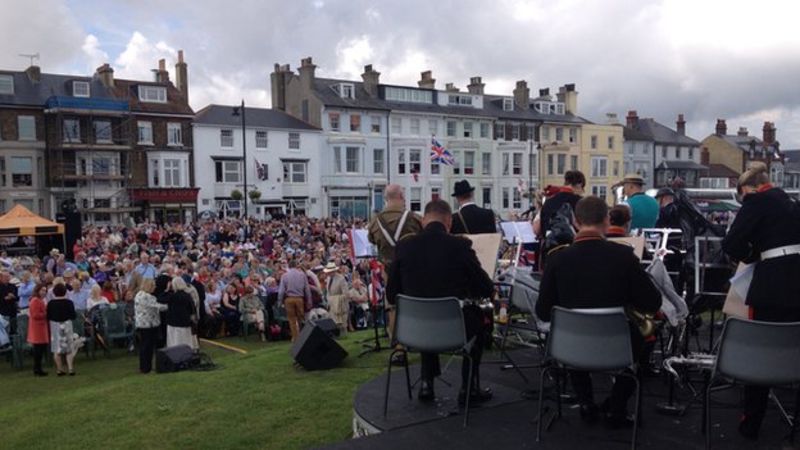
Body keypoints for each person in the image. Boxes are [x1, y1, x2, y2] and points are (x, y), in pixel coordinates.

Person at [536, 196, 662, 428]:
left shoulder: (557, 259)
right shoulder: (624, 256)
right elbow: (653, 302)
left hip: (570, 349)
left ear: (575, 221)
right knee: (645, 342)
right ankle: (617, 405)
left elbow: (543, 312)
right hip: (618, 347)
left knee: (573, 332)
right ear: (606, 221)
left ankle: (586, 402)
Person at [387, 199, 495, 404]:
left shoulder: (404, 247)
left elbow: (392, 295)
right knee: (479, 321)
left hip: (413, 332)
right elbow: (485, 287)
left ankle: (426, 384)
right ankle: (468, 388)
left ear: (423, 221)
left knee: (427, 312)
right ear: (449, 223)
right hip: (454, 332)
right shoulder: (460, 246)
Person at [721, 162, 800, 440]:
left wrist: (752, 254)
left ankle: (752, 420)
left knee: (761, 348)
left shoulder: (755, 203)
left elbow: (732, 244)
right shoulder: (792, 203)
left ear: (748, 189)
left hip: (771, 286)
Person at [535, 170, 585, 240]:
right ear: (579, 184)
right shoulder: (582, 202)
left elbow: (538, 229)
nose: (582, 192)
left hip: (551, 246)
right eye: (582, 188)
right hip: (574, 245)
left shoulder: (548, 202)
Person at [134, 277, 167, 373]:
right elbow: (158, 307)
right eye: (153, 285)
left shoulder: (138, 295)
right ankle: (146, 368)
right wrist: (170, 305)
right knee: (147, 347)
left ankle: (144, 367)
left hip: (141, 324)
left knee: (144, 346)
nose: (155, 287)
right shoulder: (148, 297)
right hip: (149, 324)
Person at [47, 283, 79, 376]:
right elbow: (73, 316)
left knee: (57, 348)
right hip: (67, 325)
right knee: (69, 348)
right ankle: (70, 368)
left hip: (55, 326)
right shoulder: (69, 303)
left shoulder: (51, 303)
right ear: (65, 292)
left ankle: (59, 369)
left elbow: (48, 316)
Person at [277, 259, 312, 342]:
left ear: (289, 266)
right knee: (301, 318)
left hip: (289, 299)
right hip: (299, 298)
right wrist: (309, 300)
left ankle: (295, 337)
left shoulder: (285, 276)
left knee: (291, 319)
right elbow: (307, 289)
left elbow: (281, 291)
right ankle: (303, 335)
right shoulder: (302, 275)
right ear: (296, 266)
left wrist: (279, 301)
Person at [165, 277, 197, 349]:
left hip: (173, 323)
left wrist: (167, 290)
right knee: (186, 342)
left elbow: (161, 299)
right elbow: (192, 309)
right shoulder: (187, 295)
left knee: (174, 342)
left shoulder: (172, 296)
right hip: (185, 322)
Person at [27, 284, 49, 377]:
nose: (44, 292)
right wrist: (46, 313)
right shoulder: (35, 300)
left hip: (40, 327)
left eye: (45, 290)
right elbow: (35, 315)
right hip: (37, 328)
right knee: (38, 350)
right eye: (42, 290)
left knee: (40, 349)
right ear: (38, 291)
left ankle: (38, 368)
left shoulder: (39, 300)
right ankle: (37, 369)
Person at [324, 262, 349, 335]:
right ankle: (336, 334)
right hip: (332, 303)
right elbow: (328, 291)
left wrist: (337, 299)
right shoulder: (328, 279)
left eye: (330, 272)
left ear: (334, 271)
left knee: (342, 321)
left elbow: (346, 293)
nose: (329, 273)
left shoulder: (341, 279)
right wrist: (329, 300)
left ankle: (344, 334)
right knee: (333, 320)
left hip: (340, 304)